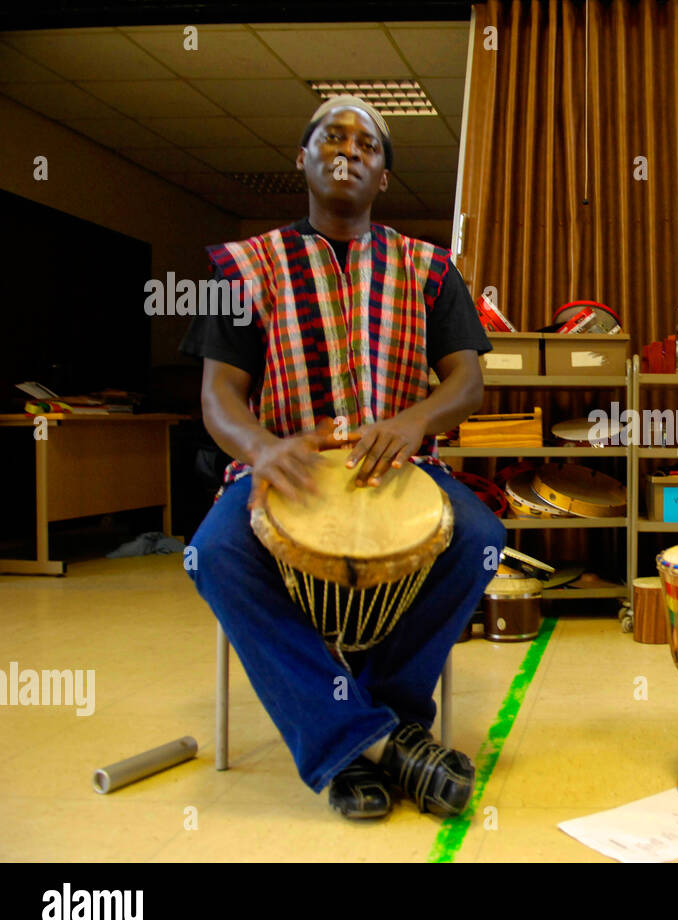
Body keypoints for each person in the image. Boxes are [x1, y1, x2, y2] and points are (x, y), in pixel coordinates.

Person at [181, 95, 504, 820]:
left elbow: (468, 378)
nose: (350, 150)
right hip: (282, 467)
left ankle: (377, 717)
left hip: (398, 468)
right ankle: (375, 743)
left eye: (369, 144)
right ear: (302, 157)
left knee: (481, 539)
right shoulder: (244, 268)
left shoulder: (428, 268)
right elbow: (217, 397)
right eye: (334, 136)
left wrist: (416, 420)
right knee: (212, 555)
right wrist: (262, 447)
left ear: (384, 175)